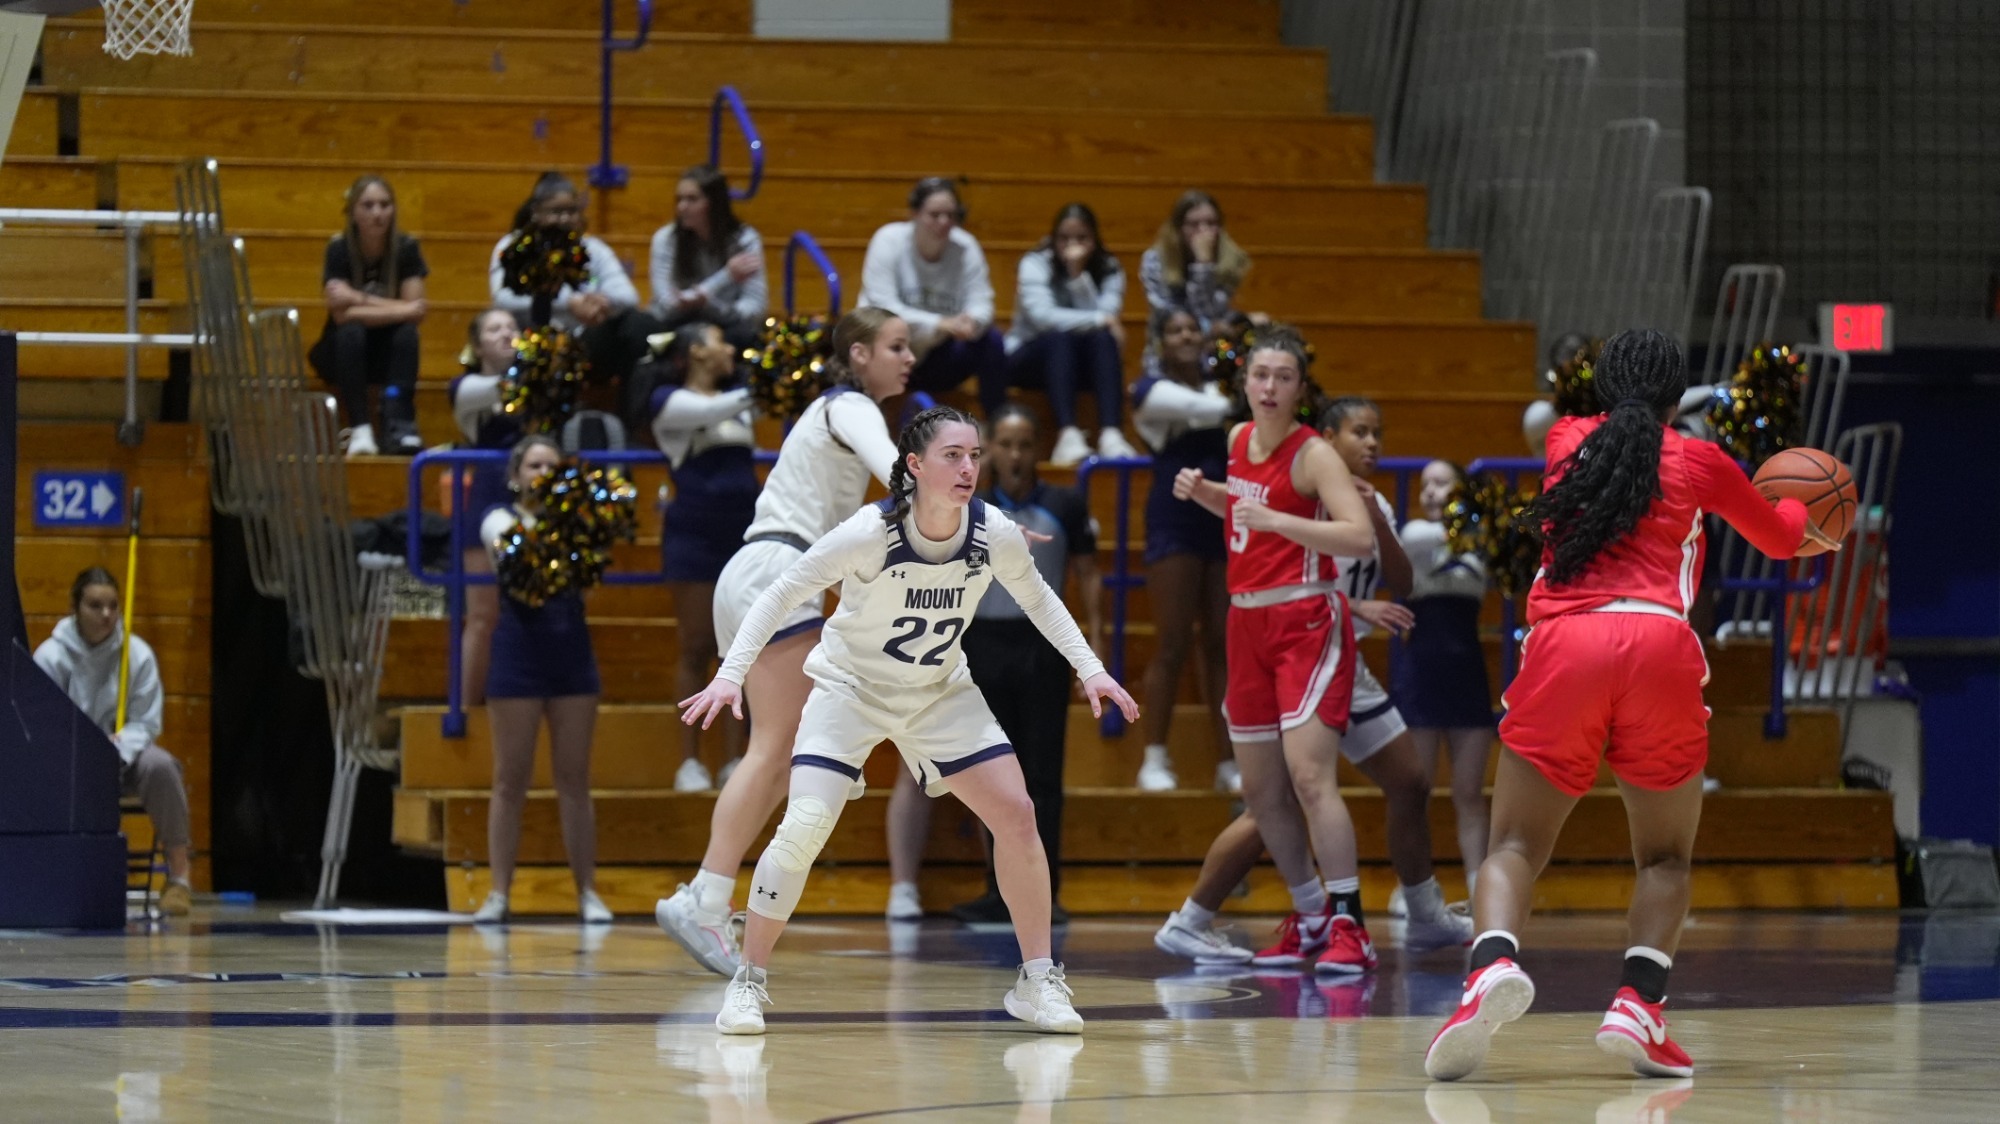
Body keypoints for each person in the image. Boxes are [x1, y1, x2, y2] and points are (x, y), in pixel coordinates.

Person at [1423, 329, 1837, 1082]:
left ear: (1600, 390)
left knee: (1513, 845)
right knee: (1666, 856)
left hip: (1566, 643)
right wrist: (1813, 522)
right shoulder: (1701, 458)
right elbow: (1780, 541)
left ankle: (1489, 968)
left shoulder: (1566, 440)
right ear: (1679, 398)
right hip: (1658, 646)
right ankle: (1638, 1008)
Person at [678, 405, 1140, 1036]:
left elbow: (1041, 601)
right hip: (850, 690)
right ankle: (748, 983)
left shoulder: (993, 531)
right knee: (805, 824)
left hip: (937, 690)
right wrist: (731, 673)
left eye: (974, 456)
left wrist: (1091, 669)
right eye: (953, 456)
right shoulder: (870, 530)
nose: (969, 467)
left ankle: (1038, 981)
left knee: (1017, 812)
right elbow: (781, 592)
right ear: (914, 466)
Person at [1152, 396, 1474, 966]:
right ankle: (1198, 916)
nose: (1372, 443)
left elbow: (1399, 581)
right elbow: (1283, 587)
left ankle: (1422, 911)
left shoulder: (1365, 503)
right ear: (1325, 439)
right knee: (1278, 799)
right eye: (1359, 432)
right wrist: (1356, 608)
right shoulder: (1292, 487)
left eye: (1378, 432)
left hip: (1344, 659)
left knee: (1409, 781)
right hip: (1306, 649)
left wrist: (1376, 523)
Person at [654, 308, 913, 973]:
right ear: (858, 355)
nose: (908, 358)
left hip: (763, 570)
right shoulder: (851, 405)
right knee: (775, 749)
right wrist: (975, 519)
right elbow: (900, 477)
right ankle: (705, 898)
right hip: (778, 569)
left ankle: (713, 891)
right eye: (896, 346)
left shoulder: (838, 409)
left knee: (785, 745)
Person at [1164, 327, 1382, 976]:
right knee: (1262, 794)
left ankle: (1352, 925)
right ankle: (1312, 915)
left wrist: (1280, 522)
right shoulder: (1236, 440)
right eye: (1261, 374)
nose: (1269, 387)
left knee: (1312, 778)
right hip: (1247, 622)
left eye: (1283, 377)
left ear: (1299, 387)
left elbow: (1359, 537)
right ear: (1245, 382)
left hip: (1306, 619)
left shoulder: (1313, 454)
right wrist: (1210, 497)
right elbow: (1246, 517)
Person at [882, 403, 1105, 924]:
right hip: (977, 644)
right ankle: (997, 889)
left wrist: (1089, 653)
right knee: (987, 774)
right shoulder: (967, 505)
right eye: (1004, 444)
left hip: (1041, 648)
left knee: (1043, 776)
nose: (1015, 455)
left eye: (1025, 444)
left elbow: (1089, 577)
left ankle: (1044, 893)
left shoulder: (1065, 504)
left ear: (1039, 450)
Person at [470, 434, 610, 925]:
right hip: (518, 654)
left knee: (574, 779)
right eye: (534, 465)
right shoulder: (497, 518)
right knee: (510, 779)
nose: (543, 473)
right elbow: (523, 560)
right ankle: (498, 894)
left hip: (572, 651)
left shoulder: (578, 522)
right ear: (516, 475)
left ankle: (587, 892)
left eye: (552, 465)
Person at [35, 568, 196, 916]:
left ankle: (180, 877)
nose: (106, 615)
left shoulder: (136, 655)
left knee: (162, 766)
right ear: (75, 607)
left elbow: (146, 721)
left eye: (112, 606)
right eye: (95, 605)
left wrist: (114, 749)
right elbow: (42, 724)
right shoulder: (50, 657)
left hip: (124, 760)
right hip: (69, 765)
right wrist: (86, 750)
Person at [643, 322, 758, 792]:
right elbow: (719, 408)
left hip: (743, 536)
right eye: (719, 340)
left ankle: (737, 760)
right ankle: (690, 763)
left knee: (741, 651)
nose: (730, 347)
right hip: (694, 535)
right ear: (695, 352)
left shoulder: (738, 400)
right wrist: (767, 382)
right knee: (695, 647)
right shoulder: (666, 401)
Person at [1129, 308, 1234, 792]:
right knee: (1171, 642)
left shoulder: (1220, 388)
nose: (1188, 334)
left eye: (1194, 326)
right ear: (1161, 342)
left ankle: (1229, 761)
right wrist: (1234, 389)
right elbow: (1216, 410)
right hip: (1174, 518)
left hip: (1225, 516)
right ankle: (1154, 757)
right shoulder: (1149, 393)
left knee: (1221, 644)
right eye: (1176, 330)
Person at [1394, 459, 1495, 894]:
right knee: (1416, 792)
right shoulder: (1415, 535)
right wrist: (1484, 523)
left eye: (1441, 483)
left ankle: (1480, 887)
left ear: (1460, 490)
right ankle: (1412, 888)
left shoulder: (1479, 541)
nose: (1431, 491)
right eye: (1425, 485)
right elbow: (1417, 539)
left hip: (1467, 670)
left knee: (1469, 793)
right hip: (1420, 669)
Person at [488, 171, 663, 388]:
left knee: (640, 324)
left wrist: (602, 303)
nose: (564, 219)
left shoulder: (593, 249)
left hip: (585, 343)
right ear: (536, 213)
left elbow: (629, 296)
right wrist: (570, 303)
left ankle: (633, 414)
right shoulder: (513, 247)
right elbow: (503, 298)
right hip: (532, 342)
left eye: (571, 211)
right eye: (556, 212)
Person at [1001, 203, 1138, 467]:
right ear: (1053, 239)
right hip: (1029, 354)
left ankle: (1111, 433)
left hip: (1082, 362)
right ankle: (1067, 434)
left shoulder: (1109, 268)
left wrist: (1077, 275)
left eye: (1081, 238)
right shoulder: (1035, 263)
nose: (1072, 246)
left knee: (1103, 339)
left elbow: (1107, 321)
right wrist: (1098, 319)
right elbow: (1043, 317)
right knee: (1059, 337)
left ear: (1095, 240)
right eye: (1064, 238)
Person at [309, 174, 428, 456]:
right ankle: (360, 427)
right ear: (353, 212)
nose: (378, 213)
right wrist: (399, 308)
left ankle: (400, 421)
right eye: (368, 205)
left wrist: (357, 299)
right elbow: (341, 316)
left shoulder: (406, 248)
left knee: (406, 335)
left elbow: (416, 312)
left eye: (385, 205)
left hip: (384, 349)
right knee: (351, 333)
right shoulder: (338, 248)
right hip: (341, 351)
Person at [859, 177, 1006, 402]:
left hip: (936, 356)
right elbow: (882, 310)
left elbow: (982, 302)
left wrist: (972, 322)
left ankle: (996, 425)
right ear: (915, 214)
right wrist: (939, 323)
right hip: (888, 354)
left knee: (991, 340)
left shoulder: (966, 246)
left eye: (951, 215)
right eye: (934, 215)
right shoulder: (888, 240)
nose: (944, 222)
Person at [449, 307, 524, 708]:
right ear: (477, 346)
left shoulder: (539, 382)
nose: (506, 333)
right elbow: (511, 386)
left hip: (536, 500)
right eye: (495, 328)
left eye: (512, 327)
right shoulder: (465, 389)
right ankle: (463, 710)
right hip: (489, 498)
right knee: (482, 616)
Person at [648, 166, 767, 351]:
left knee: (746, 334)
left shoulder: (745, 240)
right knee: (644, 328)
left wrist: (712, 307)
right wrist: (726, 276)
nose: (681, 207)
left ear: (715, 203)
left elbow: (756, 307)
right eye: (679, 199)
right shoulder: (665, 239)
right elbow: (666, 304)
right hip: (676, 322)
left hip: (725, 323)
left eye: (692, 199)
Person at [1139, 190, 1253, 331]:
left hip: (1215, 341)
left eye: (1211, 224)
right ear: (1178, 229)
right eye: (1194, 224)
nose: (1203, 231)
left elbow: (1210, 313)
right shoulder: (1155, 260)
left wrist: (1203, 265)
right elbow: (1166, 315)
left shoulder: (1232, 260)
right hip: (1171, 340)